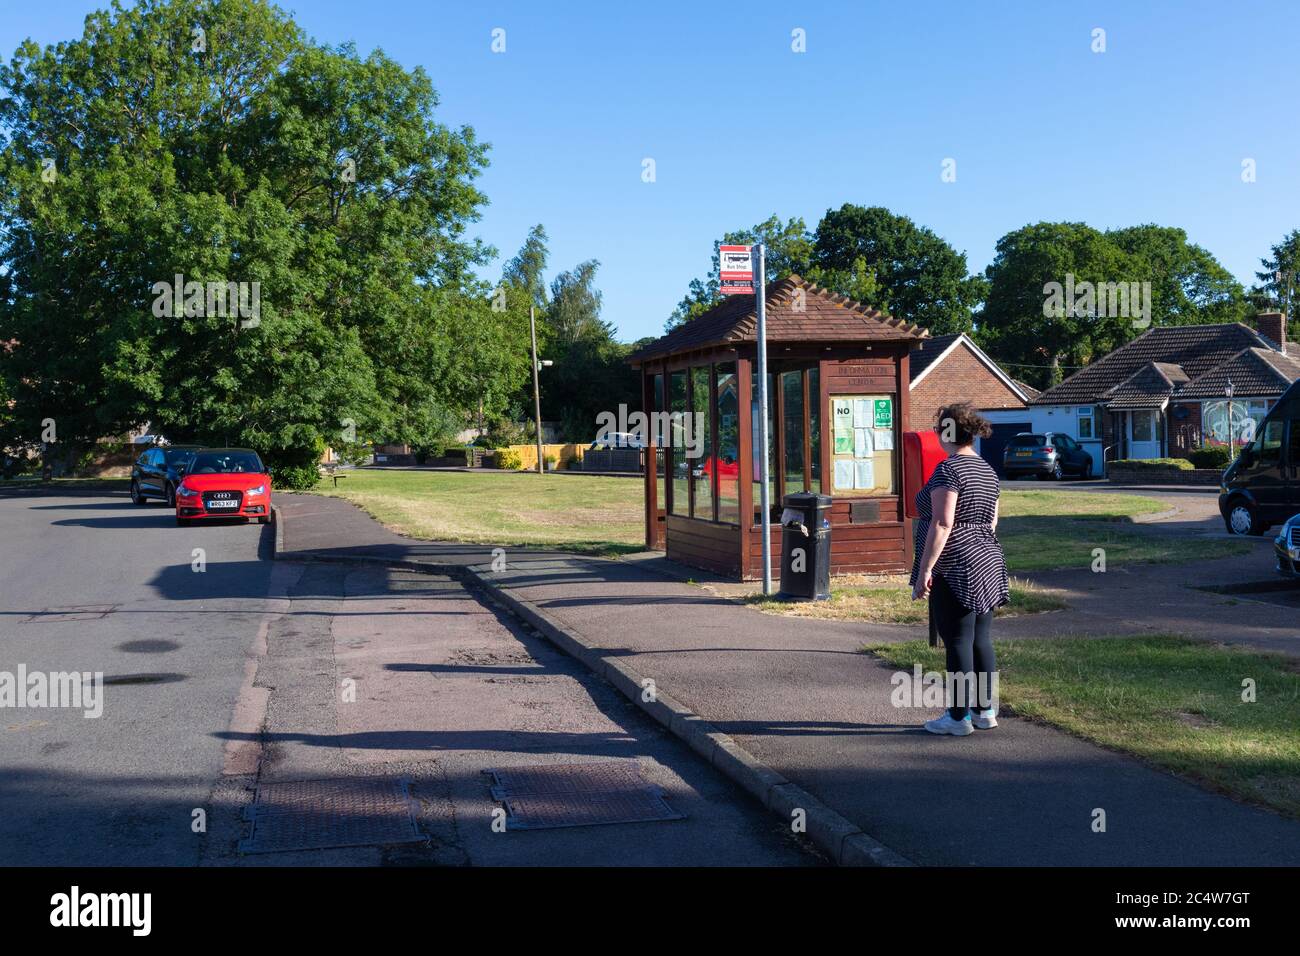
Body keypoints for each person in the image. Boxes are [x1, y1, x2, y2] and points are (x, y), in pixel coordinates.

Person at [910, 403, 1009, 736]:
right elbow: (992, 520)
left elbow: (942, 521)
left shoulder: (948, 470)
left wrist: (926, 568)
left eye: (940, 428)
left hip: (955, 563)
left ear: (948, 432)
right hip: (987, 558)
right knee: (981, 638)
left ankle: (957, 718)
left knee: (956, 639)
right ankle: (984, 711)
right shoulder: (987, 470)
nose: (937, 434)